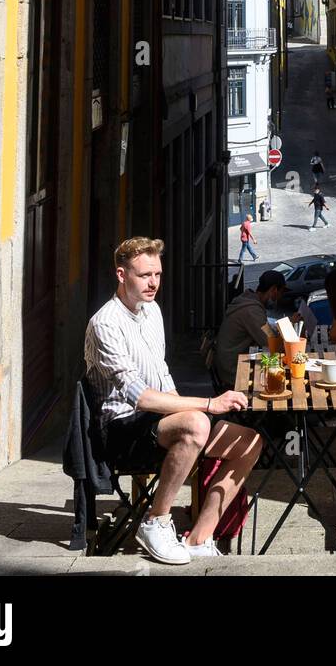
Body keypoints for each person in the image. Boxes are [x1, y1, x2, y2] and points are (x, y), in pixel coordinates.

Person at [85, 237, 261, 564]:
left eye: (158, 274)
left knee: (248, 442)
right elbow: (139, 397)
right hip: (120, 429)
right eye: (144, 275)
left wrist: (188, 408)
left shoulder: (152, 311)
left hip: (156, 421)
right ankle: (155, 520)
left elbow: (163, 377)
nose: (153, 283)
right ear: (122, 275)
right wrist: (207, 406)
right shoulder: (105, 323)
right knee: (196, 423)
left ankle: (198, 537)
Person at [213, 270, 288, 389]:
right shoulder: (251, 311)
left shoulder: (249, 301)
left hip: (229, 364)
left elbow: (267, 334)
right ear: (274, 290)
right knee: (282, 376)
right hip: (233, 371)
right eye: (281, 293)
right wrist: (289, 326)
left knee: (275, 368)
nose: (279, 298)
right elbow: (272, 344)